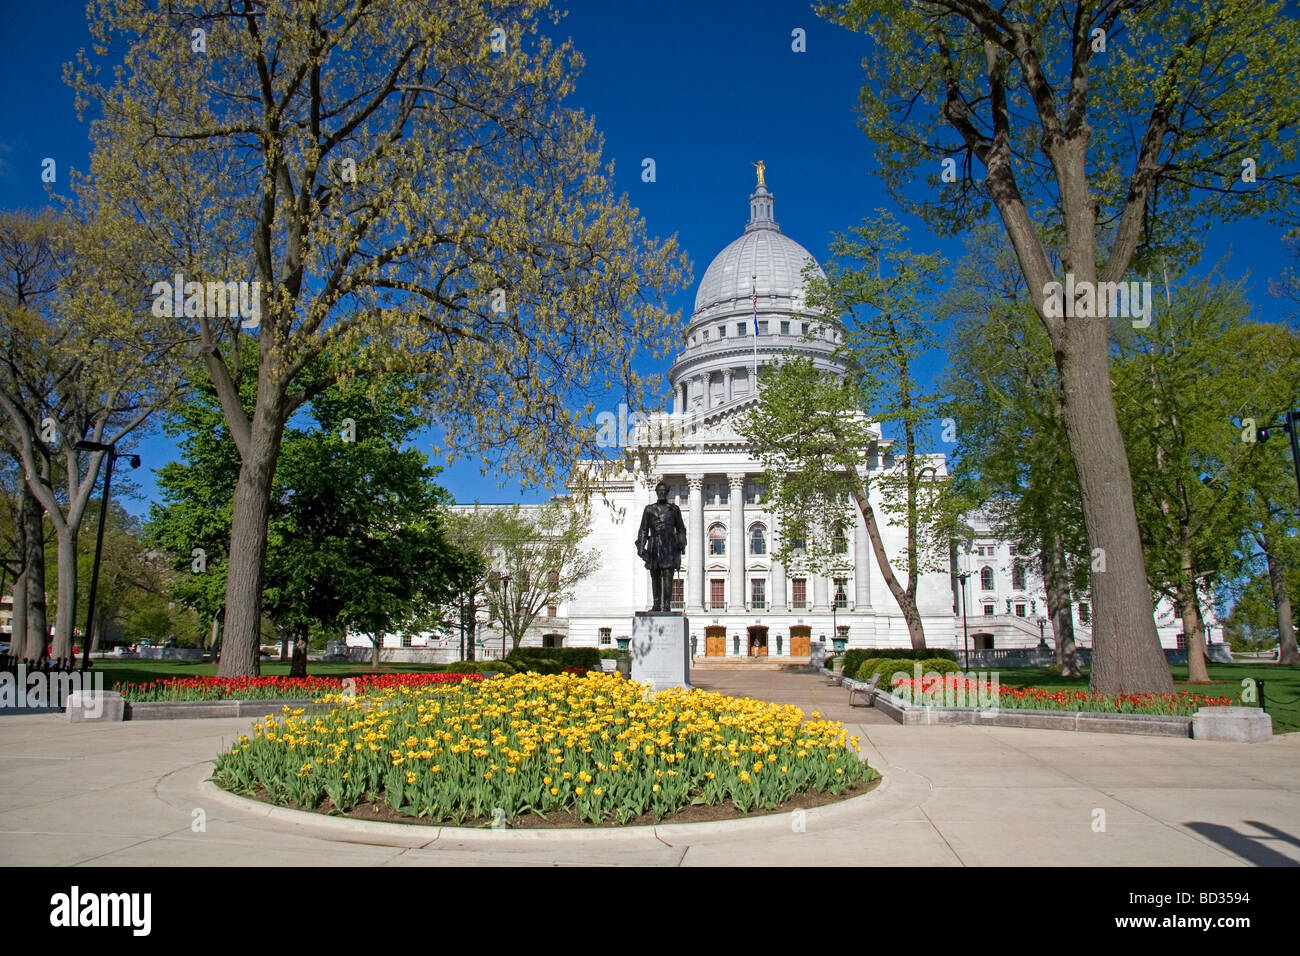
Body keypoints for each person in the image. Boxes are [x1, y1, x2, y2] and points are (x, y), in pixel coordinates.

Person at [635, 481, 687, 613]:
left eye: (664, 491)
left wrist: (682, 543)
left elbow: (681, 528)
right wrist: (641, 548)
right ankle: (656, 604)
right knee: (655, 575)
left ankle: (667, 604)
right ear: (657, 493)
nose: (662, 493)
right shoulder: (649, 509)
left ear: (667, 493)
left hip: (669, 544)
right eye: (660, 491)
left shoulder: (674, 509)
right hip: (654, 544)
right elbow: (643, 529)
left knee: (668, 574)